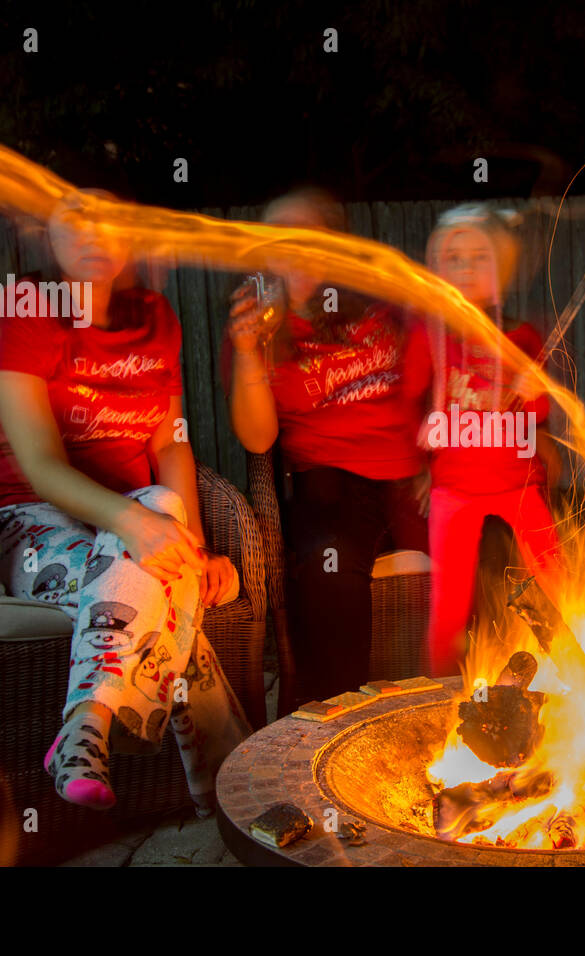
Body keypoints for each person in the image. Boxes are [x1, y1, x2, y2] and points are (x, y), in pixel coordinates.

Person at [0, 189, 250, 814]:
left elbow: (172, 443)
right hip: (33, 523)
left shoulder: (154, 315)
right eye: (76, 217)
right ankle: (229, 791)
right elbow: (41, 470)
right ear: (48, 236)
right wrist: (140, 523)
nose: (96, 231)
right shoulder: (23, 309)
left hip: (143, 519)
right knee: (158, 580)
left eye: (112, 219)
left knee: (157, 525)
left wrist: (193, 545)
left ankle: (84, 727)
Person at [224, 188, 431, 710]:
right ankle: (341, 724)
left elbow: (439, 375)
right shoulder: (259, 328)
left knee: (486, 536)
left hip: (414, 476)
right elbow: (257, 439)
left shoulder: (383, 304)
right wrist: (248, 355)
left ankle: (481, 701)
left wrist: (442, 456)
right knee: (326, 567)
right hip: (330, 484)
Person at [415, 204, 564, 677]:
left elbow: (539, 414)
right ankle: (436, 697)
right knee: (449, 606)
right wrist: (419, 464)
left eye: (480, 256)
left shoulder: (520, 337)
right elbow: (407, 403)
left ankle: (577, 674)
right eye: (453, 257)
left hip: (518, 483)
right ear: (437, 270)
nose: (465, 267)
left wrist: (533, 391)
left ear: (501, 270)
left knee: (557, 579)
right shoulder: (430, 334)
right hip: (453, 487)